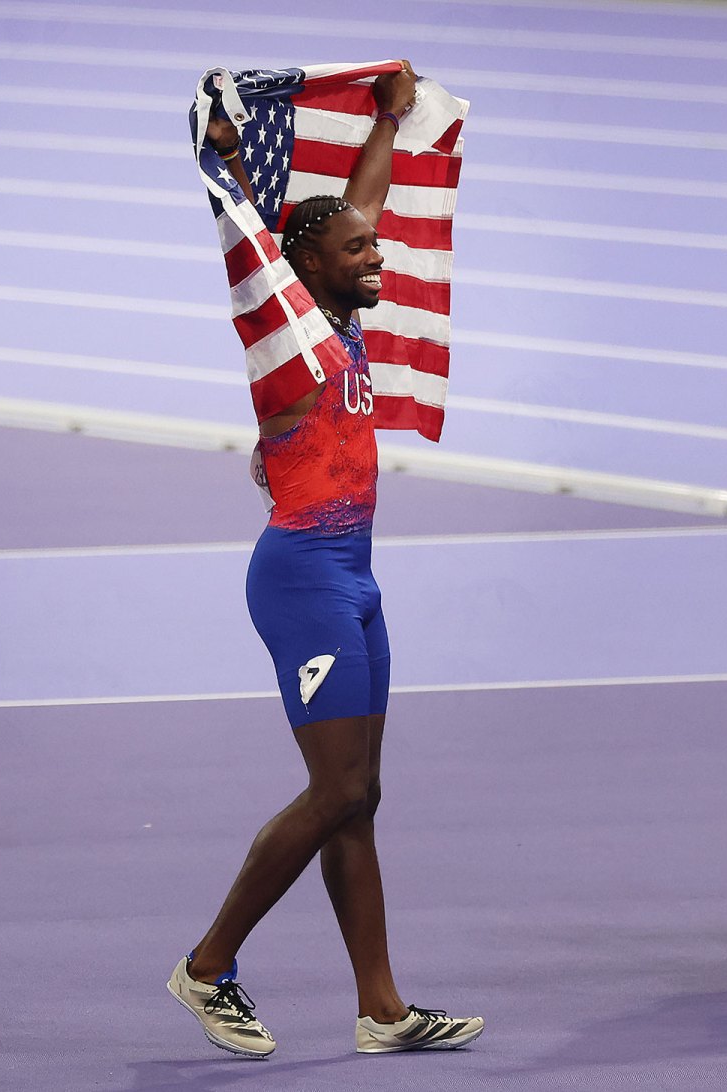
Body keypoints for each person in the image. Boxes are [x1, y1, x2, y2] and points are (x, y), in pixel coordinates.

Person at [168, 60, 483, 1058]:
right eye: (359, 250)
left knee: (361, 793)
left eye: (375, 245)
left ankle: (383, 1011)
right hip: (303, 577)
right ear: (308, 268)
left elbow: (358, 202)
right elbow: (255, 250)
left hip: (356, 582)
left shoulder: (340, 323)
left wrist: (387, 123)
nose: (376, 252)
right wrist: (223, 165)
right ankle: (207, 965)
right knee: (337, 789)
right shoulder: (284, 338)